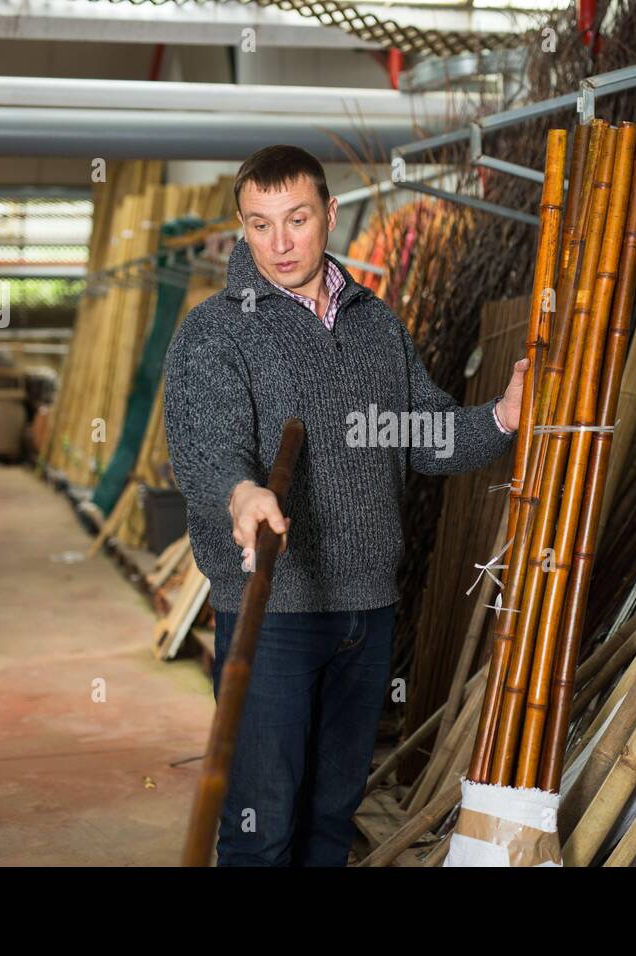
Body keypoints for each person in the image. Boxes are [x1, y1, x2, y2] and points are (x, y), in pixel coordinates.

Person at [163, 144, 527, 866]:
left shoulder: (375, 325)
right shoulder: (217, 330)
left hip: (366, 611)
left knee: (331, 821)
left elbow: (422, 435)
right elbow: (208, 449)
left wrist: (503, 417)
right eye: (260, 226)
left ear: (330, 214)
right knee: (260, 829)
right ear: (243, 228)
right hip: (273, 613)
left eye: (296, 219)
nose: (280, 243)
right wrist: (244, 495)